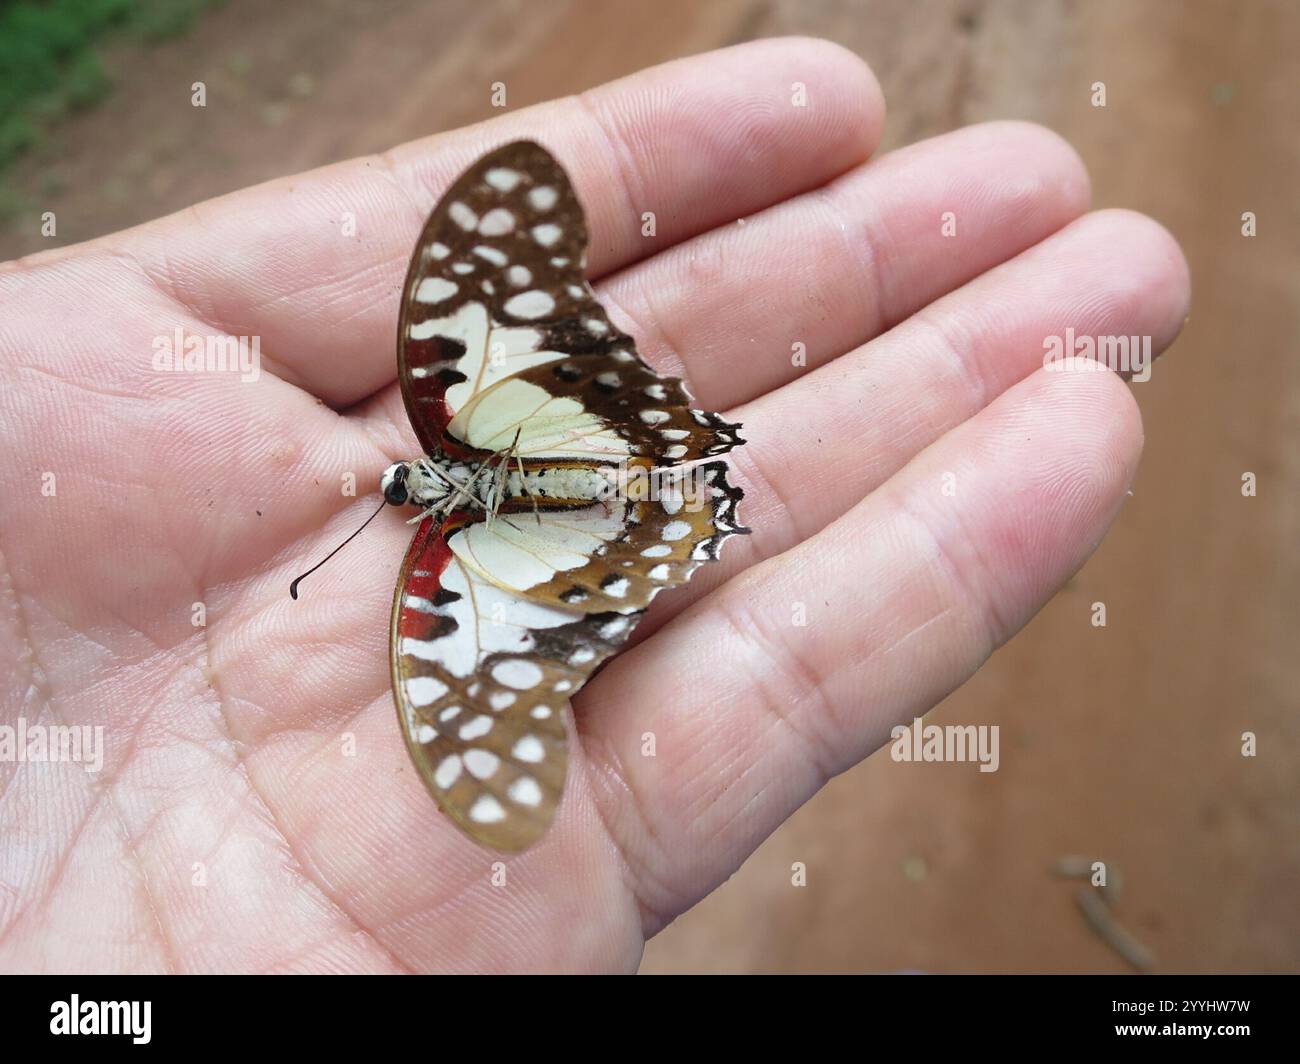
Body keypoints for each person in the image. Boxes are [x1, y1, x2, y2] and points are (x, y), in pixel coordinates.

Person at [0, 37, 1189, 973]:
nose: (401, 493)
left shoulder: (432, 568)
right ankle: (663, 506)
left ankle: (661, 511)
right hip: (593, 455)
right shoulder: (440, 407)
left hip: (590, 468)